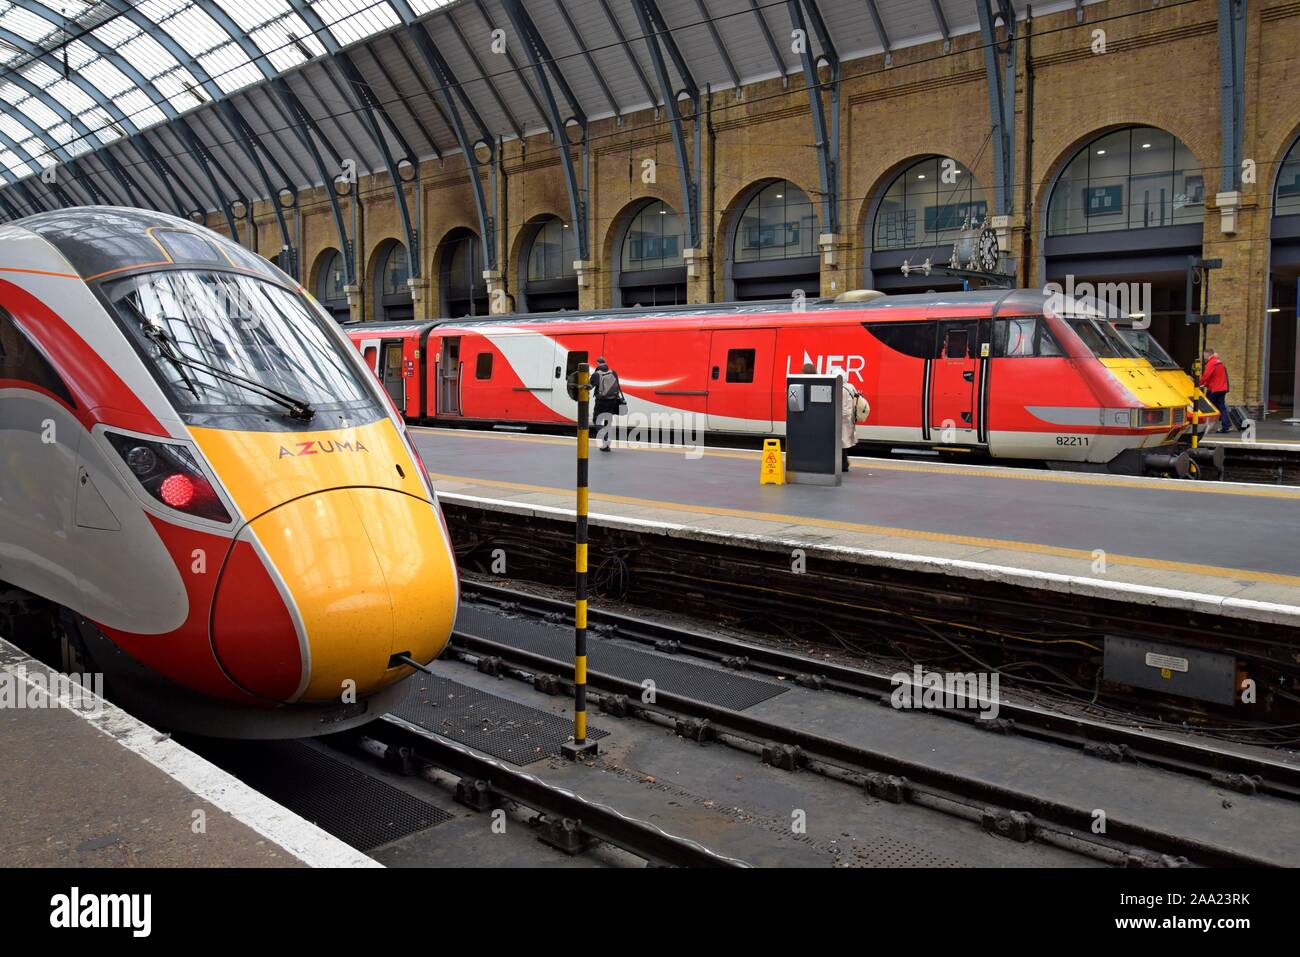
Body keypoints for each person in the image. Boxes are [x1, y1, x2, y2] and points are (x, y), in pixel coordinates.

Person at [591, 356, 624, 451]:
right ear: (605, 363)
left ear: (597, 363)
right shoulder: (613, 372)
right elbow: (617, 386)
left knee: (596, 421)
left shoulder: (596, 374)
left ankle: (605, 437)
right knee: (608, 422)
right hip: (612, 401)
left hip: (601, 402)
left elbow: (589, 386)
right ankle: (606, 446)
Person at [840, 373, 868, 472]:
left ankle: (843, 464)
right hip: (850, 419)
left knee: (840, 443)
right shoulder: (851, 386)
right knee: (843, 443)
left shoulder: (841, 389)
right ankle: (844, 463)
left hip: (842, 420)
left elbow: (842, 408)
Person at [1200, 347, 1231, 433]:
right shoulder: (1219, 362)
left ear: (1207, 354)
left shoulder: (1211, 363)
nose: (1204, 357)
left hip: (1214, 389)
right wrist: (1206, 384)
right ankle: (1226, 426)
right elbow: (1216, 377)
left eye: (1204, 355)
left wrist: (1199, 383)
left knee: (1206, 406)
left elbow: (1206, 376)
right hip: (1222, 388)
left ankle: (1206, 426)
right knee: (1221, 407)